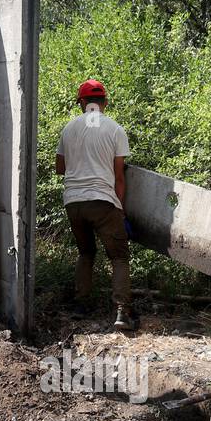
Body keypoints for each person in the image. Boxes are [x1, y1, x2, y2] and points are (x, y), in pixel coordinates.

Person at [56, 79, 136, 331]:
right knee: (119, 256)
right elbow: (119, 176)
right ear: (105, 103)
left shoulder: (69, 129)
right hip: (103, 201)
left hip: (73, 202)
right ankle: (122, 312)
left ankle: (81, 305)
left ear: (81, 103)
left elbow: (60, 168)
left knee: (86, 252)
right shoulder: (115, 129)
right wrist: (120, 209)